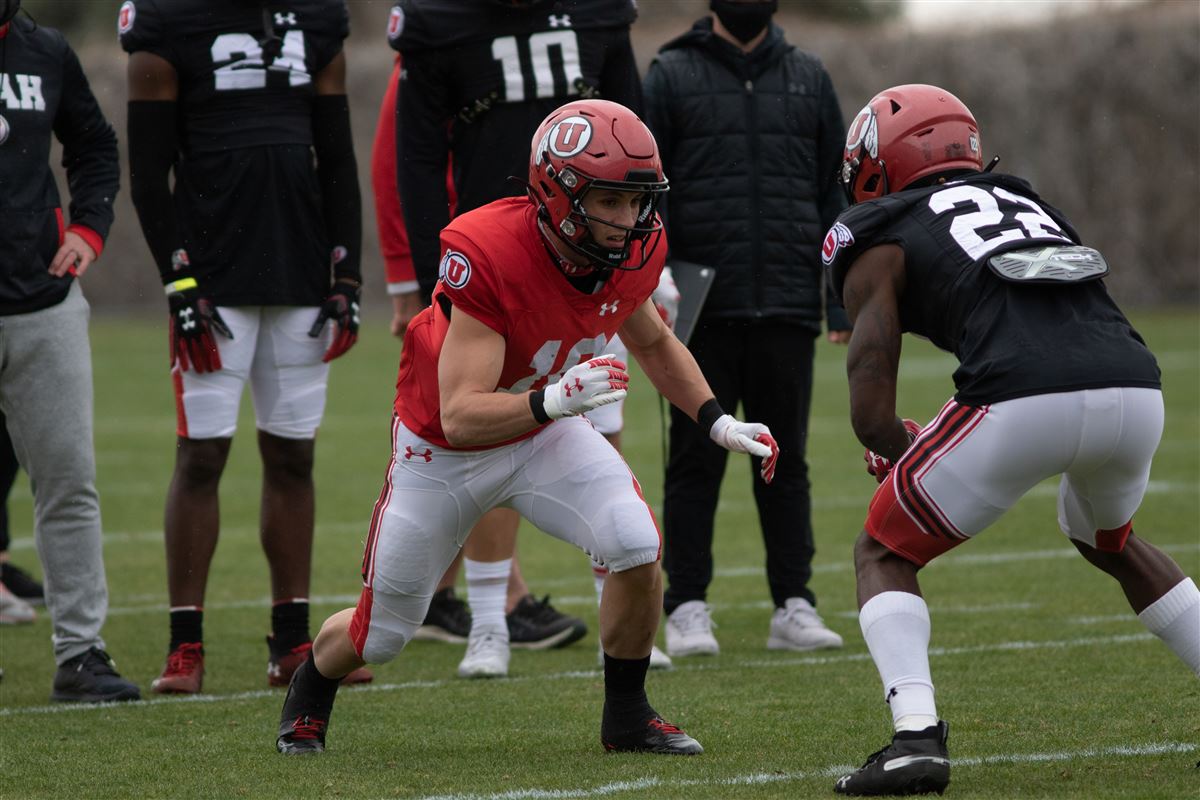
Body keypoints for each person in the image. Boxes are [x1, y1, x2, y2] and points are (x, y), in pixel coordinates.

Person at [275, 98, 779, 756]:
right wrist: (554, 400)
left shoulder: (631, 246)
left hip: (544, 429)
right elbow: (461, 413)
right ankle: (313, 682)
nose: (630, 220)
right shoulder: (488, 250)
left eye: (637, 201)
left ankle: (627, 715)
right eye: (611, 202)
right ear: (560, 193)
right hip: (444, 452)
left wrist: (715, 422)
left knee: (634, 541)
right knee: (385, 634)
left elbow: (653, 342)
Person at [823, 83, 1200, 796]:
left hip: (1021, 395)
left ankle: (915, 739)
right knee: (1107, 539)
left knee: (884, 548)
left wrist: (895, 446)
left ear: (878, 164)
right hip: (1134, 385)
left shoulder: (876, 234)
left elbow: (871, 401)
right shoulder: (1028, 202)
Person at [389, 0, 663, 676]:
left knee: (605, 421)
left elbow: (639, 134)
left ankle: (617, 609)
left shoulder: (597, 16)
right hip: (502, 264)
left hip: (598, 259)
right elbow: (412, 157)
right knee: (494, 428)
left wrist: (642, 253)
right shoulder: (439, 23)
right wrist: (424, 275)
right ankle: (489, 621)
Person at [121, 0, 371, 694]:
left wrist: (347, 274)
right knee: (202, 453)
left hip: (298, 265)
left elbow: (337, 156)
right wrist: (179, 280)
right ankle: (185, 645)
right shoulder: (166, 23)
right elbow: (148, 171)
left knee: (293, 453)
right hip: (211, 273)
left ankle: (292, 643)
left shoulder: (316, 20)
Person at [642, 0, 849, 658]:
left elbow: (833, 195)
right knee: (695, 460)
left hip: (787, 303)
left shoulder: (809, 77)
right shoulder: (669, 74)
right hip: (700, 309)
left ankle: (794, 604)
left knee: (785, 462)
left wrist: (838, 299)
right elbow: (649, 193)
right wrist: (655, 288)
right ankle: (687, 607)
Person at [0, 0, 140, 702]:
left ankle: (81, 651)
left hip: (42, 301)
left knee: (68, 481)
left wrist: (88, 226)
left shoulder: (44, 51)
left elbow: (92, 145)